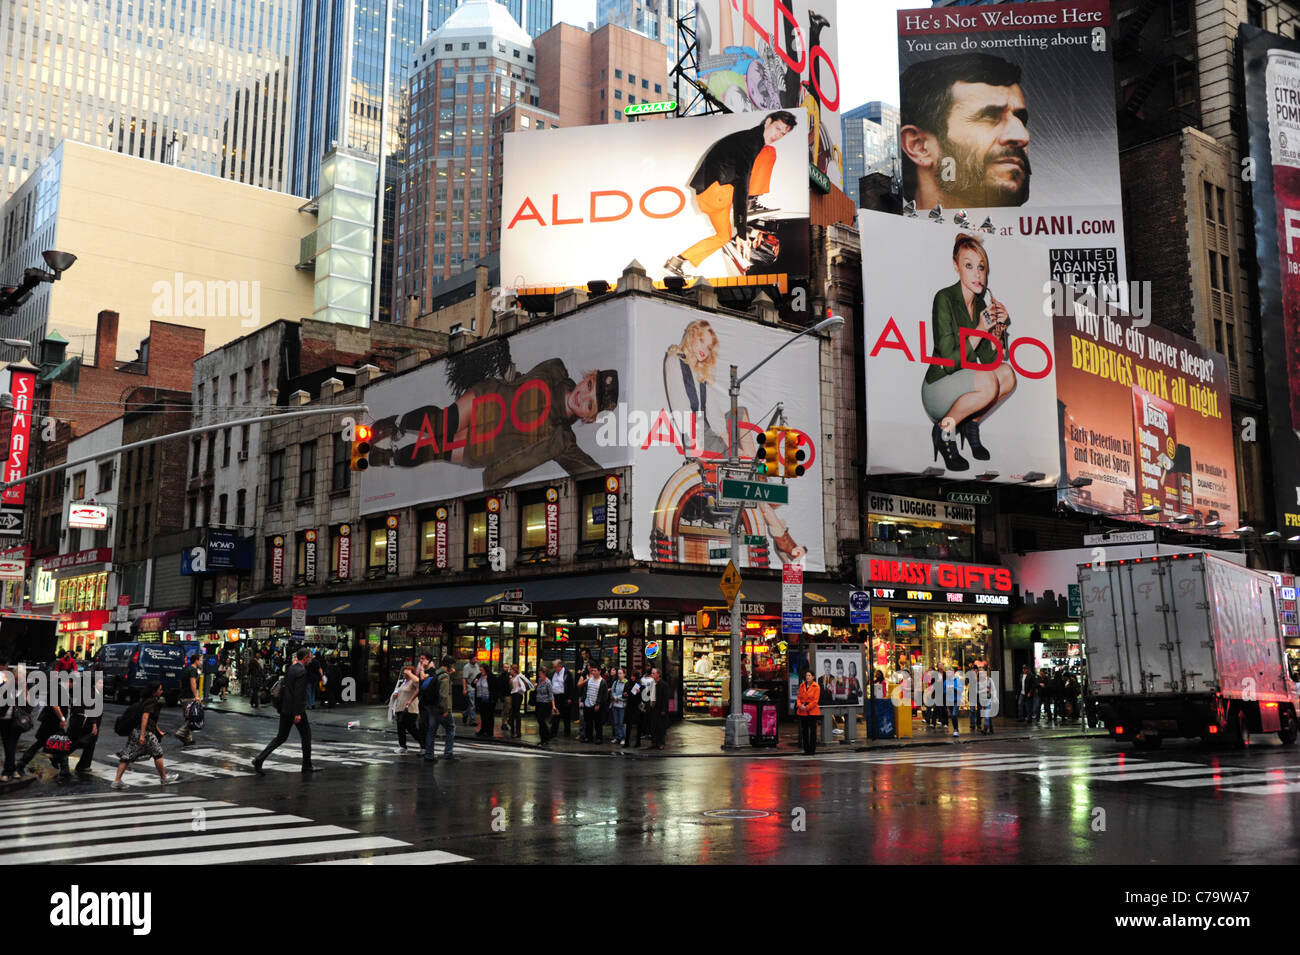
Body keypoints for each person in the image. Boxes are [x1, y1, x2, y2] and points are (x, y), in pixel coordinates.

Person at [368, 357, 619, 488]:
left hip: (486, 446)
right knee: (443, 423)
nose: (582, 396)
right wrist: (511, 374)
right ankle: (397, 424)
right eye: (589, 386)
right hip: (489, 401)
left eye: (589, 404)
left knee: (434, 448)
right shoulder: (555, 369)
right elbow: (523, 382)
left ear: (589, 417)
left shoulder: (562, 442)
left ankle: (389, 458)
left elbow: (592, 474)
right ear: (588, 376)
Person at [921, 234, 1015, 472]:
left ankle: (971, 424)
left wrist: (1000, 328)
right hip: (938, 386)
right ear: (956, 267)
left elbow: (989, 359)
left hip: (966, 385)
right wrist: (981, 329)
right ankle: (945, 430)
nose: (977, 274)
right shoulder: (944, 298)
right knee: (987, 381)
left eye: (981, 268)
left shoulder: (981, 306)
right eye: (969, 266)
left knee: (1007, 374)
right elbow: (950, 361)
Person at [664, 110, 797, 277]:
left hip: (709, 197)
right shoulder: (750, 143)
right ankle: (752, 201)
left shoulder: (747, 139)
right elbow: (742, 185)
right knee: (769, 152)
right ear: (768, 121)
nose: (778, 135)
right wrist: (741, 231)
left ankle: (678, 262)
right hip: (717, 191)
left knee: (723, 236)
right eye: (777, 128)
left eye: (783, 133)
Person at [899, 53, 1031, 210]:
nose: (1022, 136)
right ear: (919, 146)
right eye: (989, 116)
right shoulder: (886, 232)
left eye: (1021, 120)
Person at [251, 649, 318, 774]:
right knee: (306, 736)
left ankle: (259, 759)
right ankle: (307, 766)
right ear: (305, 658)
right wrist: (298, 713)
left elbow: (286, 689)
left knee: (280, 737)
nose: (311, 659)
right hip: (296, 709)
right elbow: (298, 694)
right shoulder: (302, 671)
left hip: (285, 708)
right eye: (310, 657)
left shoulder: (291, 668)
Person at [111, 684, 179, 788]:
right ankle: (164, 778)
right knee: (158, 754)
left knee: (127, 756)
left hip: (136, 732)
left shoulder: (146, 701)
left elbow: (152, 720)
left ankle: (117, 781)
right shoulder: (151, 702)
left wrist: (158, 731)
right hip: (146, 733)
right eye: (160, 689)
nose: (162, 691)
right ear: (154, 691)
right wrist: (143, 734)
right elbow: (145, 718)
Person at [17, 687, 67, 777]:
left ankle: (63, 767)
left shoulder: (61, 689)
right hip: (52, 723)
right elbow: (55, 706)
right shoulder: (58, 689)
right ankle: (21, 764)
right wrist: (62, 719)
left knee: (58, 743)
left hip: (53, 722)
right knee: (58, 743)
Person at [389, 658, 423, 754]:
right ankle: (402, 746)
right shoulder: (403, 682)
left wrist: (411, 674)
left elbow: (419, 683)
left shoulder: (413, 682)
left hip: (410, 709)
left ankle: (423, 744)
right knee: (400, 728)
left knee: (412, 729)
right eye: (404, 673)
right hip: (400, 708)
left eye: (406, 673)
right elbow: (401, 692)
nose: (404, 674)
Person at [175, 652, 202, 746]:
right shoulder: (193, 670)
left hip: (183, 696)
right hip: (188, 697)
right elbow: (193, 683)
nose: (201, 662)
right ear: (196, 660)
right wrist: (196, 696)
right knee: (191, 718)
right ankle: (181, 733)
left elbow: (180, 683)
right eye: (200, 660)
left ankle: (188, 740)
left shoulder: (187, 669)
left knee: (187, 717)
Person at [0, 658, 20, 781]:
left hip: (16, 720)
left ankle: (7, 771)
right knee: (8, 745)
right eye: (17, 677)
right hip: (4, 719)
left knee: (11, 745)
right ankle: (12, 770)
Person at [579, 664, 610, 744]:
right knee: (588, 722)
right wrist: (582, 701)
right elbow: (585, 691)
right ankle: (589, 737)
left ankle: (599, 738)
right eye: (592, 670)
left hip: (597, 706)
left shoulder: (602, 682)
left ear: (599, 671)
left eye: (595, 670)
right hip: (588, 704)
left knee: (598, 723)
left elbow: (605, 695)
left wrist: (599, 704)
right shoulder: (589, 680)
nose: (593, 672)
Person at [796, 669, 821, 755]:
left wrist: (807, 707)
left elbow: (815, 701)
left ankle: (812, 750)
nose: (807, 677)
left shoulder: (816, 687)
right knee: (804, 731)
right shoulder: (802, 685)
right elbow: (798, 698)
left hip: (812, 712)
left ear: (813, 677)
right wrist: (800, 706)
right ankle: (806, 749)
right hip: (802, 711)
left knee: (813, 732)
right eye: (806, 675)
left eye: (809, 675)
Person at [549, 659, 575, 739]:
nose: (554, 668)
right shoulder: (553, 673)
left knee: (566, 716)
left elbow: (571, 686)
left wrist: (570, 698)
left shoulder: (567, 673)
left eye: (555, 667)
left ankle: (567, 732)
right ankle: (553, 732)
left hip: (564, 696)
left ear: (560, 666)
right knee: (555, 715)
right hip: (556, 696)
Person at [508, 664, 532, 739]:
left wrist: (519, 689)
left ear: (514, 670)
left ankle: (517, 732)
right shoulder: (514, 677)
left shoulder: (519, 677)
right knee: (513, 713)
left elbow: (523, 688)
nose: (510, 671)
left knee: (516, 713)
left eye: (511, 669)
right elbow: (511, 687)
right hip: (515, 695)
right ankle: (514, 731)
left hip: (517, 696)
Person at [473, 663, 496, 737]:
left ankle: (489, 731)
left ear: (486, 669)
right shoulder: (479, 676)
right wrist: (474, 683)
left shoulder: (491, 677)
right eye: (480, 670)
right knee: (483, 715)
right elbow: (472, 684)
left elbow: (495, 688)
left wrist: (493, 699)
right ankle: (483, 730)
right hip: (480, 698)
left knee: (489, 715)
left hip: (488, 699)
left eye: (482, 670)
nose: (481, 671)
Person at [650, 668, 670, 750]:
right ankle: (654, 742)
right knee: (653, 726)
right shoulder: (652, 684)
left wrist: (664, 710)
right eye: (652, 673)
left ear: (658, 674)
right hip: (653, 708)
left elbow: (665, 699)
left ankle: (661, 743)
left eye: (653, 673)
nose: (652, 675)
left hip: (660, 709)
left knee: (660, 727)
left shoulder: (663, 685)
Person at [609, 668, 629, 746]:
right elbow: (612, 691)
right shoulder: (615, 682)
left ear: (624, 674)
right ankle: (617, 737)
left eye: (621, 673)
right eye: (618, 673)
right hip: (615, 704)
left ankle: (623, 737)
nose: (619, 675)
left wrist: (618, 698)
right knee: (616, 722)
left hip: (622, 705)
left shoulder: (626, 682)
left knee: (622, 722)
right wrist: (614, 697)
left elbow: (626, 693)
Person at [534, 668, 554, 746]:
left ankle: (547, 736)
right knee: (540, 721)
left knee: (541, 720)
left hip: (545, 703)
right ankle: (543, 739)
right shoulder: (539, 680)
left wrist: (553, 706)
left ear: (544, 674)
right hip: (538, 703)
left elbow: (551, 694)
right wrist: (535, 687)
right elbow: (537, 691)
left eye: (541, 674)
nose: (540, 675)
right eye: (539, 674)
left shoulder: (548, 682)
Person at [462, 657, 479, 727]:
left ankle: (465, 713)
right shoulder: (467, 667)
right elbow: (464, 678)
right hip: (470, 688)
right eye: (474, 659)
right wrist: (464, 688)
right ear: (470, 659)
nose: (475, 660)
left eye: (476, 659)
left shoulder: (477, 666)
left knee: (473, 705)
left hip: (477, 688)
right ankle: (472, 720)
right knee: (472, 705)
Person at [947, 669, 965, 737]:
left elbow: (961, 689)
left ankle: (956, 730)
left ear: (953, 673)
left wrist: (954, 688)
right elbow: (944, 691)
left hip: (956, 700)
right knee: (952, 716)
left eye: (950, 672)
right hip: (949, 700)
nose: (949, 674)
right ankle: (955, 729)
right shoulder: (946, 681)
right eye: (948, 672)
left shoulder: (957, 680)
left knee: (954, 714)